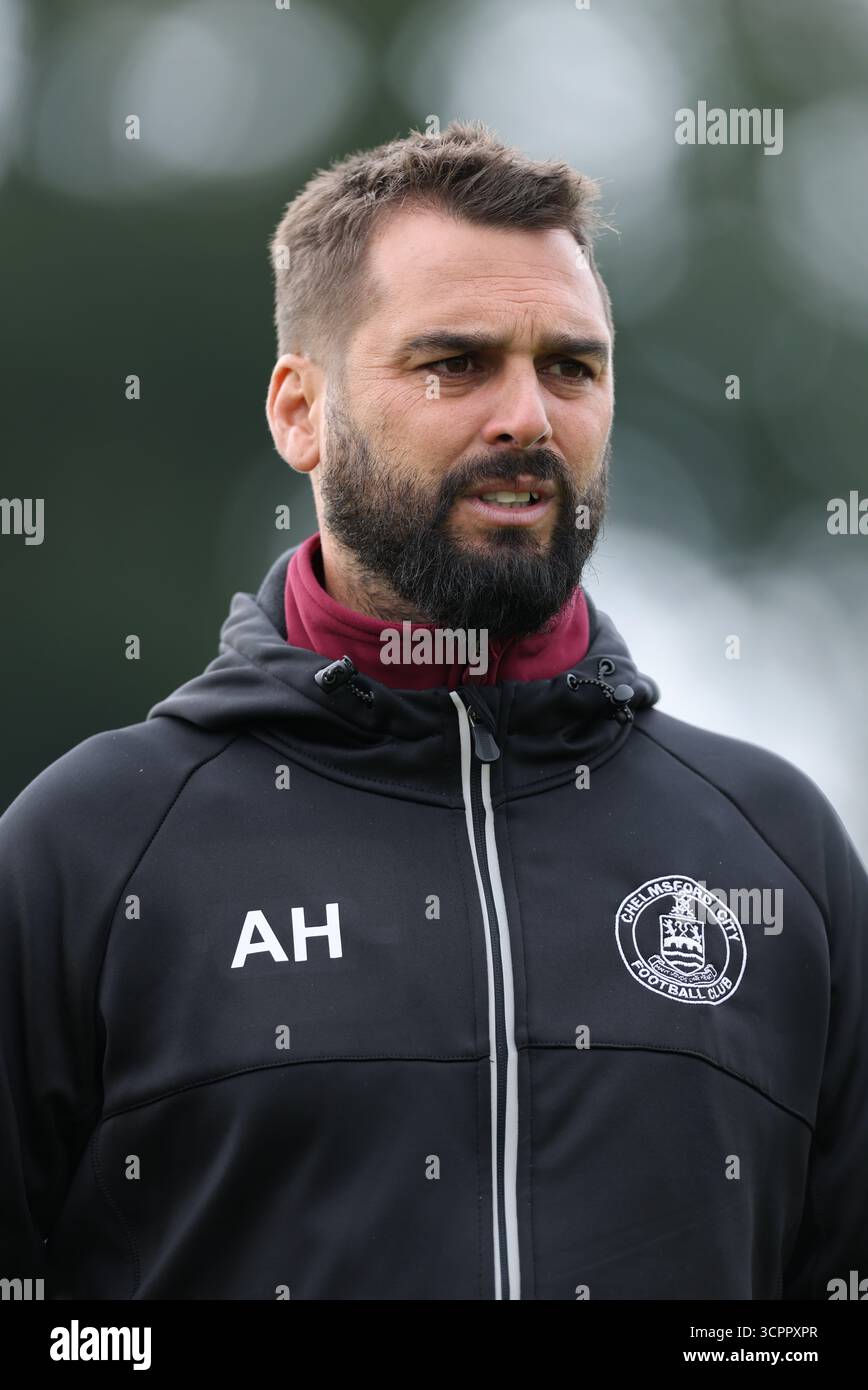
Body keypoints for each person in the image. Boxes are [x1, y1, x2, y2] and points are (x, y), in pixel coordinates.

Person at [1, 121, 865, 1301]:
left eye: (570, 366)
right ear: (299, 412)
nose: (529, 419)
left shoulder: (780, 851)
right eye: (454, 364)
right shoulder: (86, 851)